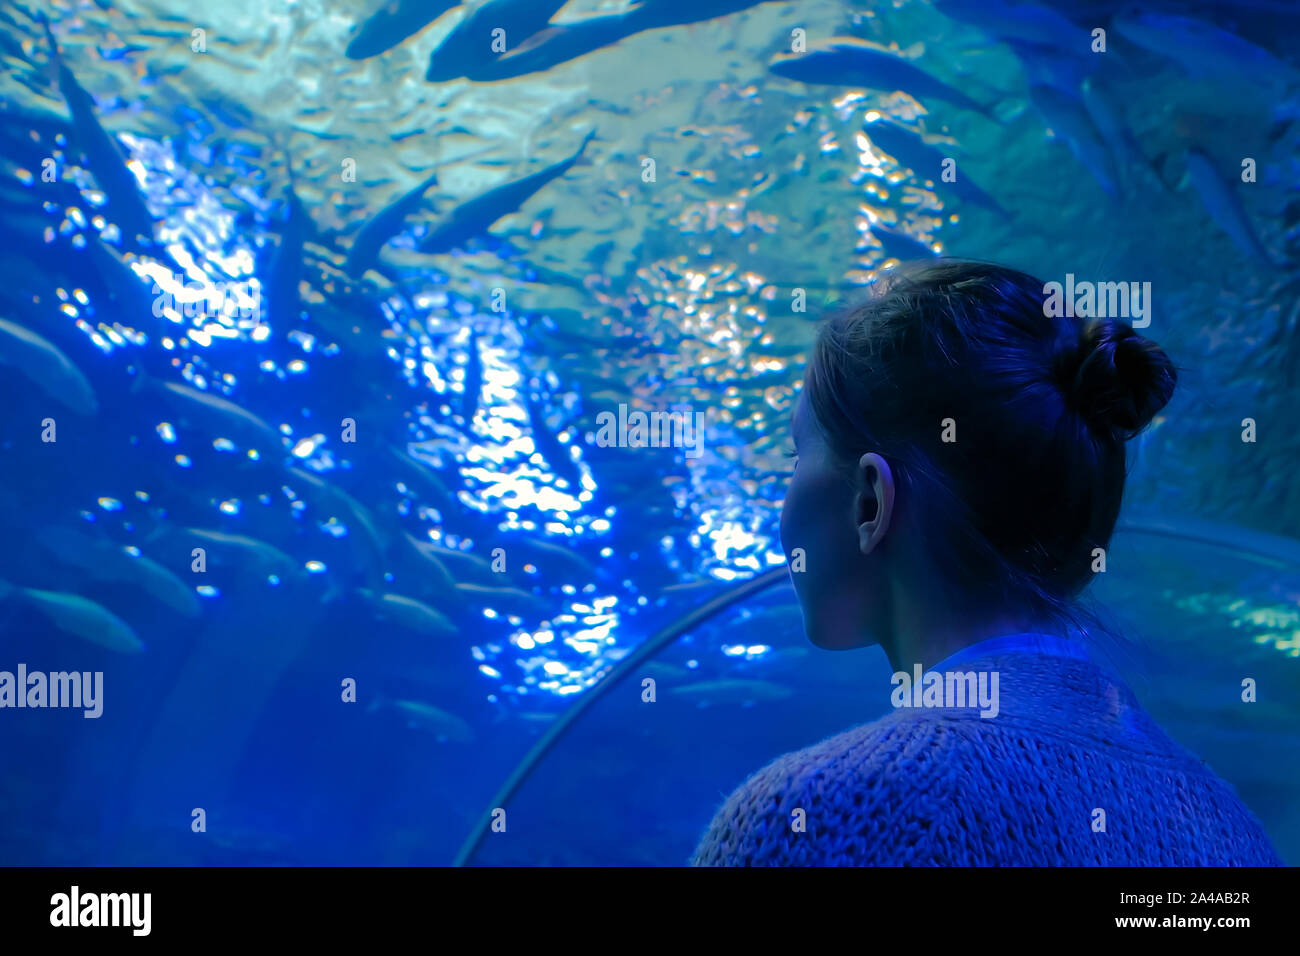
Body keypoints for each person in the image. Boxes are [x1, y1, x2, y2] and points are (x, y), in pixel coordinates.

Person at [692, 259, 1283, 866]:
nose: (782, 510)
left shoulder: (811, 818)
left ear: (871, 501)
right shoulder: (1229, 827)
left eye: (797, 458)